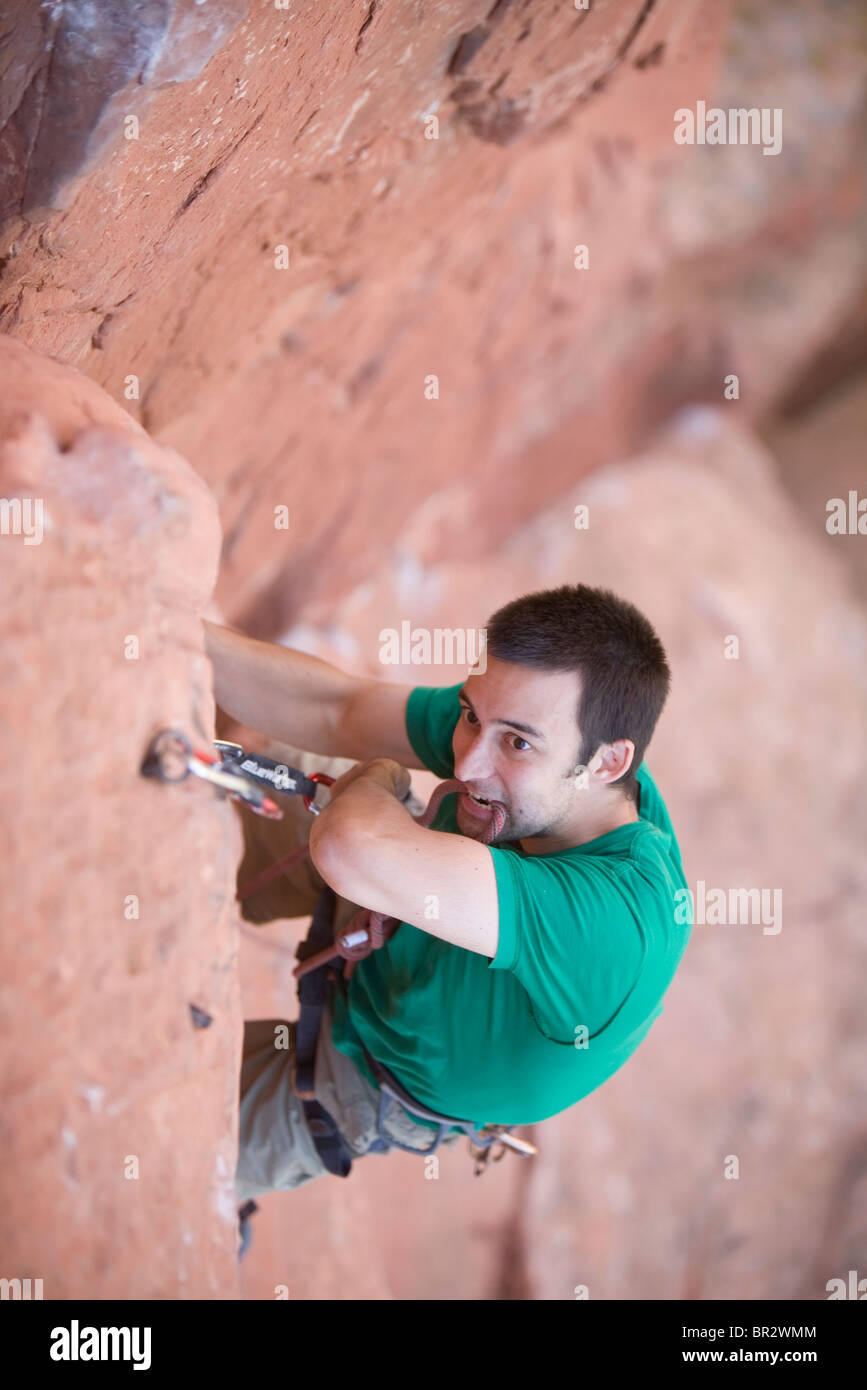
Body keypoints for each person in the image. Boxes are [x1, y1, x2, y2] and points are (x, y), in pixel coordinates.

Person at [204, 583, 692, 1222]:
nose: (467, 764)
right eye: (468, 716)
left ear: (608, 763)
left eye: (516, 743)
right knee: (274, 774)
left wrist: (376, 781)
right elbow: (338, 708)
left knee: (163, 1148)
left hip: (376, 1072)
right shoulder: (533, 728)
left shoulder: (617, 923)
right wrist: (166, 628)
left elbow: (353, 848)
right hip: (399, 912)